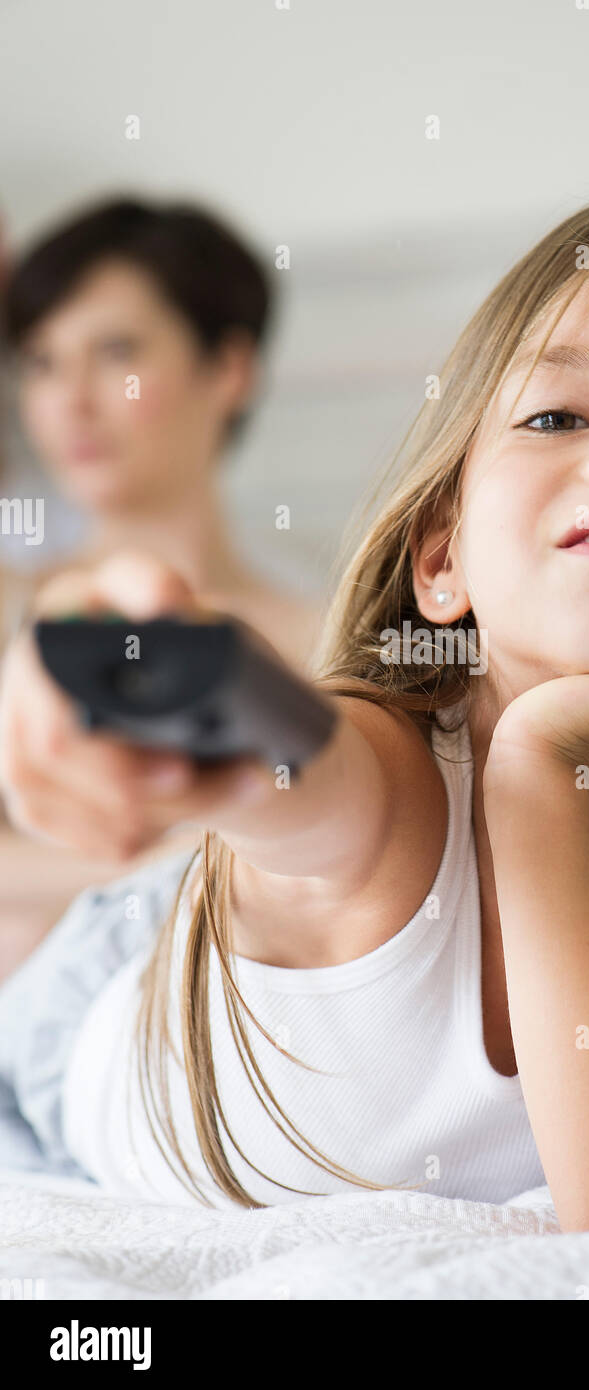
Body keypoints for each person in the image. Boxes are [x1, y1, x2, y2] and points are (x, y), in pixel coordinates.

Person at [0, 189, 589, 1231]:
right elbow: (264, 736)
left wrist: (542, 780)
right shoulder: (386, 775)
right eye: (557, 417)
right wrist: (116, 653)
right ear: (443, 554)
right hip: (73, 1026)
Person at [0, 199, 321, 978]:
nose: (71, 399)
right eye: (41, 362)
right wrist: (194, 854)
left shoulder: (325, 635)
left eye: (116, 352)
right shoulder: (10, 607)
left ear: (229, 369)